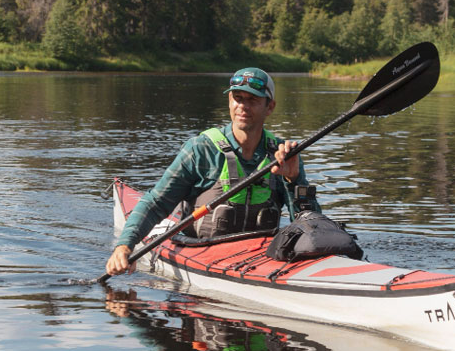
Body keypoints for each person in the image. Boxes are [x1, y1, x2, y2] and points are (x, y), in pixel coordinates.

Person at [106, 68, 320, 277]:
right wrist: (125, 245)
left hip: (262, 256)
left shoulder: (284, 154)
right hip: (201, 250)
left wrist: (293, 181)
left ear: (270, 107)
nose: (243, 106)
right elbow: (156, 204)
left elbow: (310, 224)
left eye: (252, 99)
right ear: (229, 102)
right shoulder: (200, 149)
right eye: (237, 98)